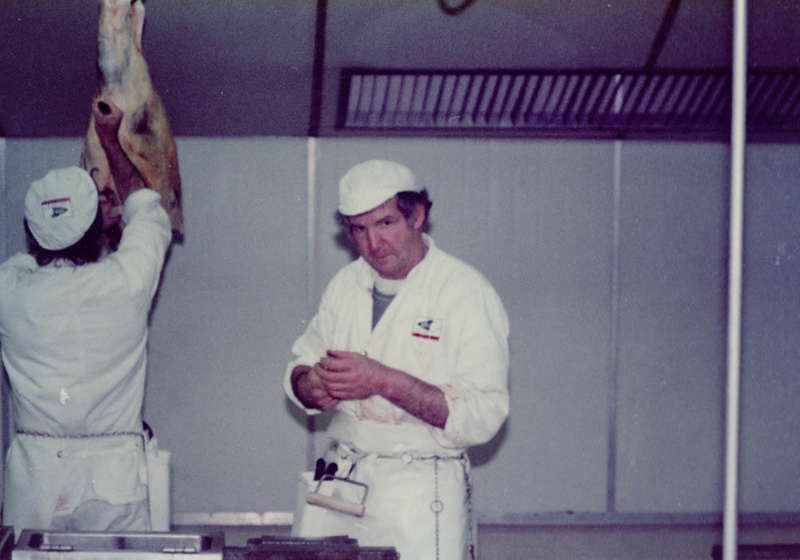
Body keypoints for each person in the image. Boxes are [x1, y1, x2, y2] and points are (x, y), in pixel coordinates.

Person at [284, 159, 510, 560]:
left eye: (385, 224)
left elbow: (484, 415)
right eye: (359, 229)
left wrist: (382, 380)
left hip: (420, 490)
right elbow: (300, 367)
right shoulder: (345, 286)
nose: (373, 244)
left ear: (417, 215)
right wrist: (312, 385)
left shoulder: (464, 293)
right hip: (342, 482)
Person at [0, 166, 172, 534]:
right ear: (98, 229)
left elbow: (24, 261)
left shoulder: (9, 291)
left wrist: (65, 231)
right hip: (113, 478)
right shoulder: (125, 280)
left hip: (36, 479)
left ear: (31, 234)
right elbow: (148, 212)